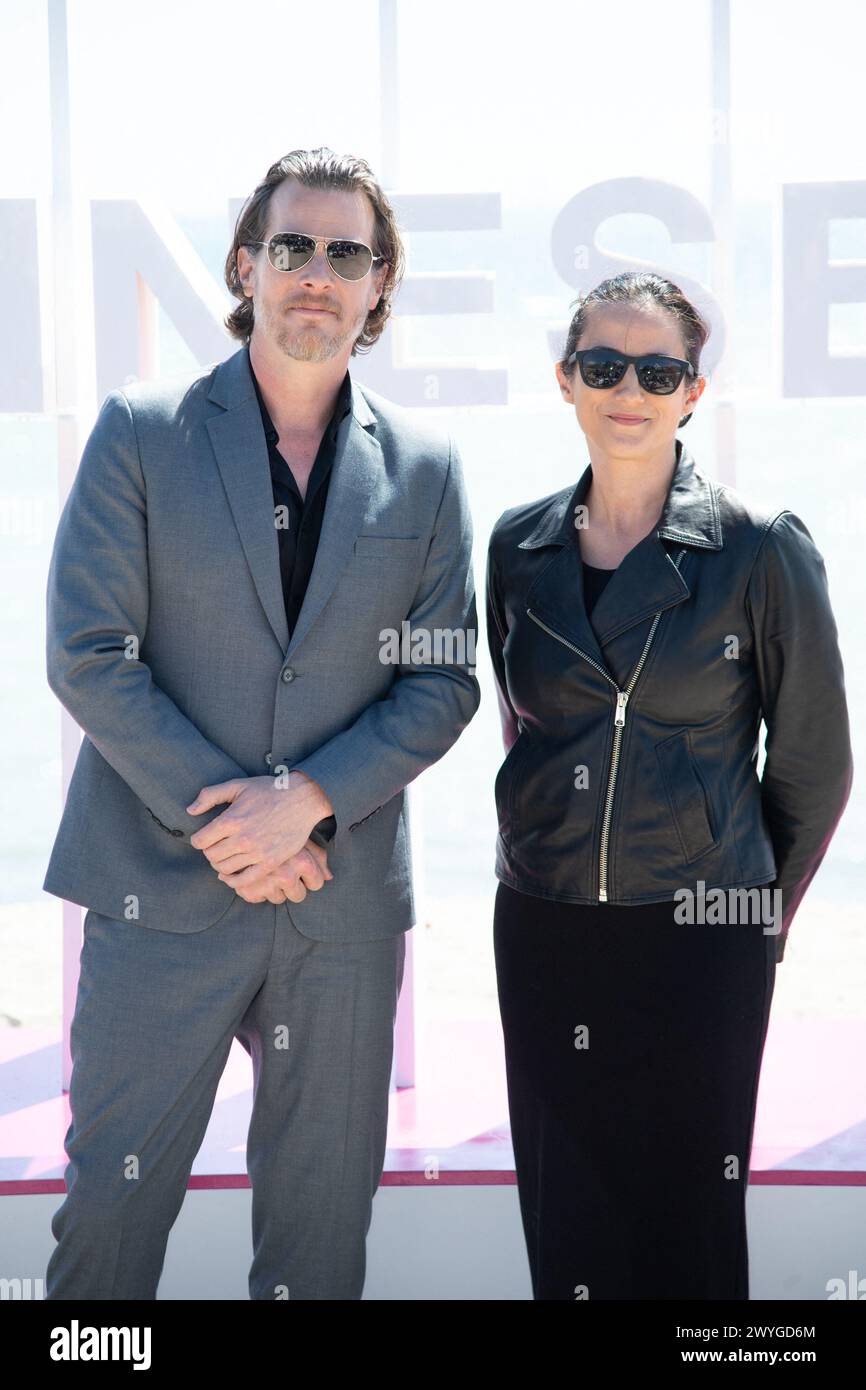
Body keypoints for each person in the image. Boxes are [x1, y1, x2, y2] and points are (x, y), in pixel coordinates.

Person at [43, 146, 480, 1300]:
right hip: (158, 901)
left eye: (349, 252)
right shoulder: (141, 430)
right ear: (247, 263)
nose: (317, 273)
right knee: (106, 1236)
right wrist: (234, 823)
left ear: (379, 283)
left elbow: (442, 680)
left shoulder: (427, 469)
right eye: (294, 245)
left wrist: (309, 805)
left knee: (320, 1246)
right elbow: (88, 654)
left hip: (336, 914)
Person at [485, 270, 853, 1300]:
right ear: (565, 381)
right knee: (566, 1224)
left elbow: (815, 763)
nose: (628, 389)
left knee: (685, 1226)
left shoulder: (757, 548)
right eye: (602, 365)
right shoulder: (515, 546)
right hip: (545, 920)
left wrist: (753, 911)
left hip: (702, 931)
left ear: (693, 389)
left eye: (657, 369)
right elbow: (526, 730)